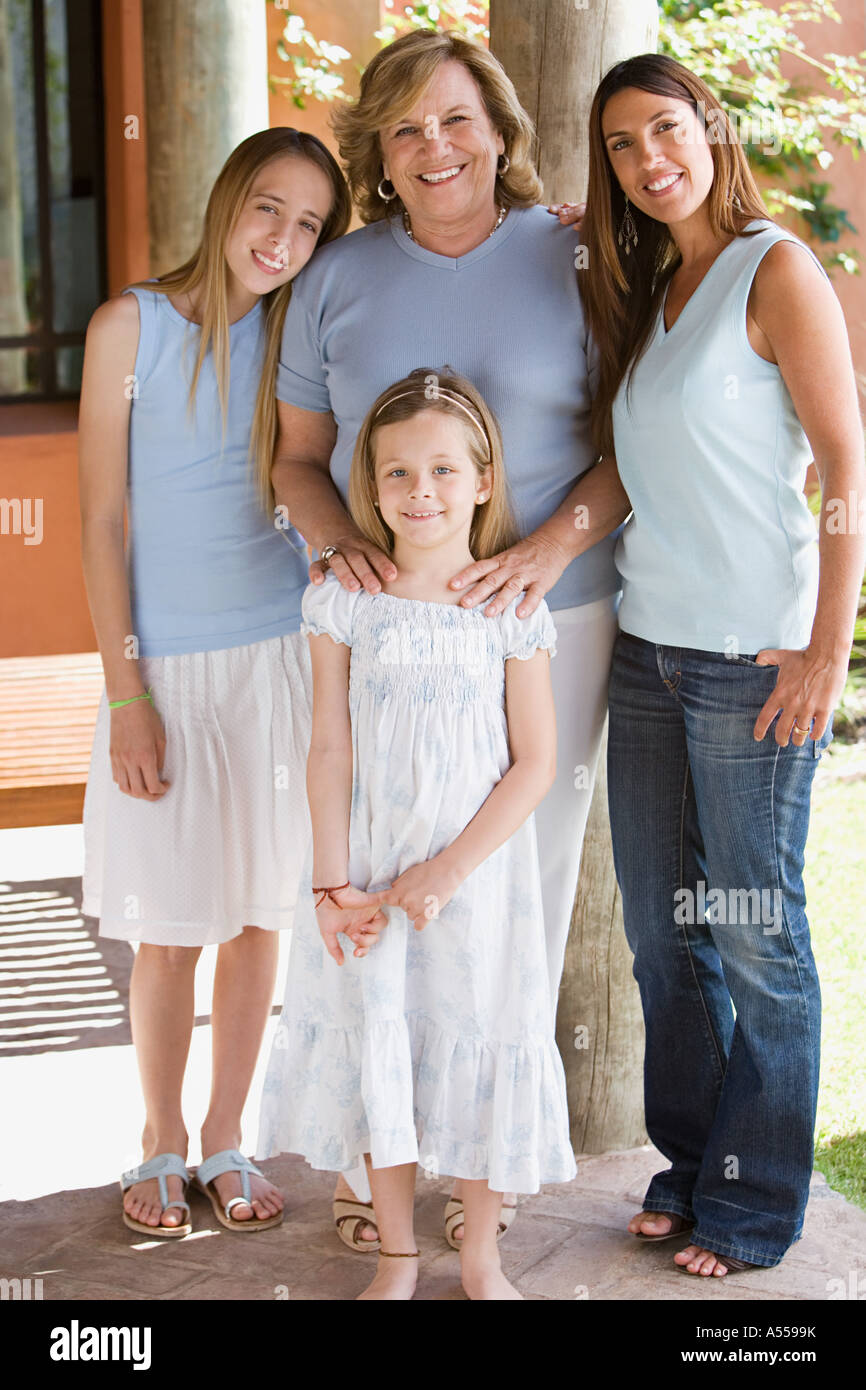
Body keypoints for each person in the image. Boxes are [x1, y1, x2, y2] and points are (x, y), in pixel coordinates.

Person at [256, 25, 625, 1252]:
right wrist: (332, 550)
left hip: (545, 623)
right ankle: (383, 1154)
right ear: (378, 147)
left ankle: (484, 1160)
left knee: (509, 889)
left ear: (501, 132)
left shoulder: (573, 250)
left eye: (457, 119)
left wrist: (551, 548)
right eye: (406, 126)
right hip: (383, 635)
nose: (433, 146)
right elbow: (301, 462)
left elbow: (636, 442)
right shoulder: (336, 277)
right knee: (372, 874)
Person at [568, 54, 865, 1275]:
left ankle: (750, 1201)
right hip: (646, 656)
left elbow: (845, 474)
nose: (648, 160)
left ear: (711, 129)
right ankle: (690, 1163)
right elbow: (636, 476)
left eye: (663, 131)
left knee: (751, 931)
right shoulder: (655, 285)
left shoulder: (773, 268)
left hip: (752, 661)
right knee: (661, 932)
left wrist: (822, 653)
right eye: (622, 146)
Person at [79, 128, 351, 1237]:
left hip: (280, 661)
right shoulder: (125, 326)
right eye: (268, 210)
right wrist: (128, 695)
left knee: (254, 920)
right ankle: (158, 1139)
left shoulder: (300, 337)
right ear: (227, 198)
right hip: (168, 670)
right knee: (168, 927)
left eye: (310, 226)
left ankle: (229, 1134)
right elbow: (99, 522)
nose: (283, 241)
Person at [259, 367, 575, 1300]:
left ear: (483, 480)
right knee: (377, 1041)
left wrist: (448, 870)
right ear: (370, 484)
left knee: (481, 1043)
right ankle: (397, 1252)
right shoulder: (343, 601)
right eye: (397, 473)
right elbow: (327, 745)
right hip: (367, 872)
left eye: (443, 470)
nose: (420, 492)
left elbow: (536, 766)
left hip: (475, 878)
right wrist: (328, 883)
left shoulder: (511, 610)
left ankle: (481, 1255)